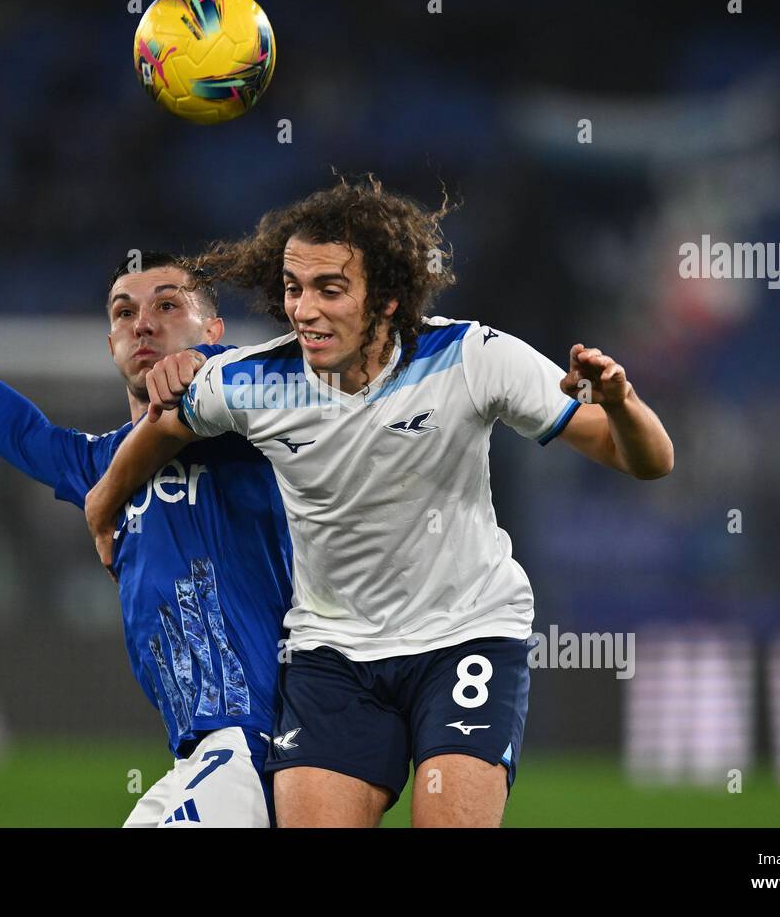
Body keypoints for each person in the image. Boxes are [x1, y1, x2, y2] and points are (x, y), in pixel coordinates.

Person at [85, 177, 674, 827]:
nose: (304, 309)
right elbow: (164, 428)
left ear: (389, 298)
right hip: (332, 655)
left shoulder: (472, 359)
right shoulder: (256, 382)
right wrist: (103, 501)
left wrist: (620, 402)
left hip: (464, 638)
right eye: (293, 288)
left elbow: (647, 460)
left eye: (329, 290)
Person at [0, 254, 292, 827]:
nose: (142, 323)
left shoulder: (242, 424)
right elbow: (16, 428)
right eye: (124, 313)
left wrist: (205, 363)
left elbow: (283, 369)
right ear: (110, 343)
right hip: (197, 753)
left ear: (213, 329)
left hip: (256, 735)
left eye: (167, 305)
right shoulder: (96, 461)